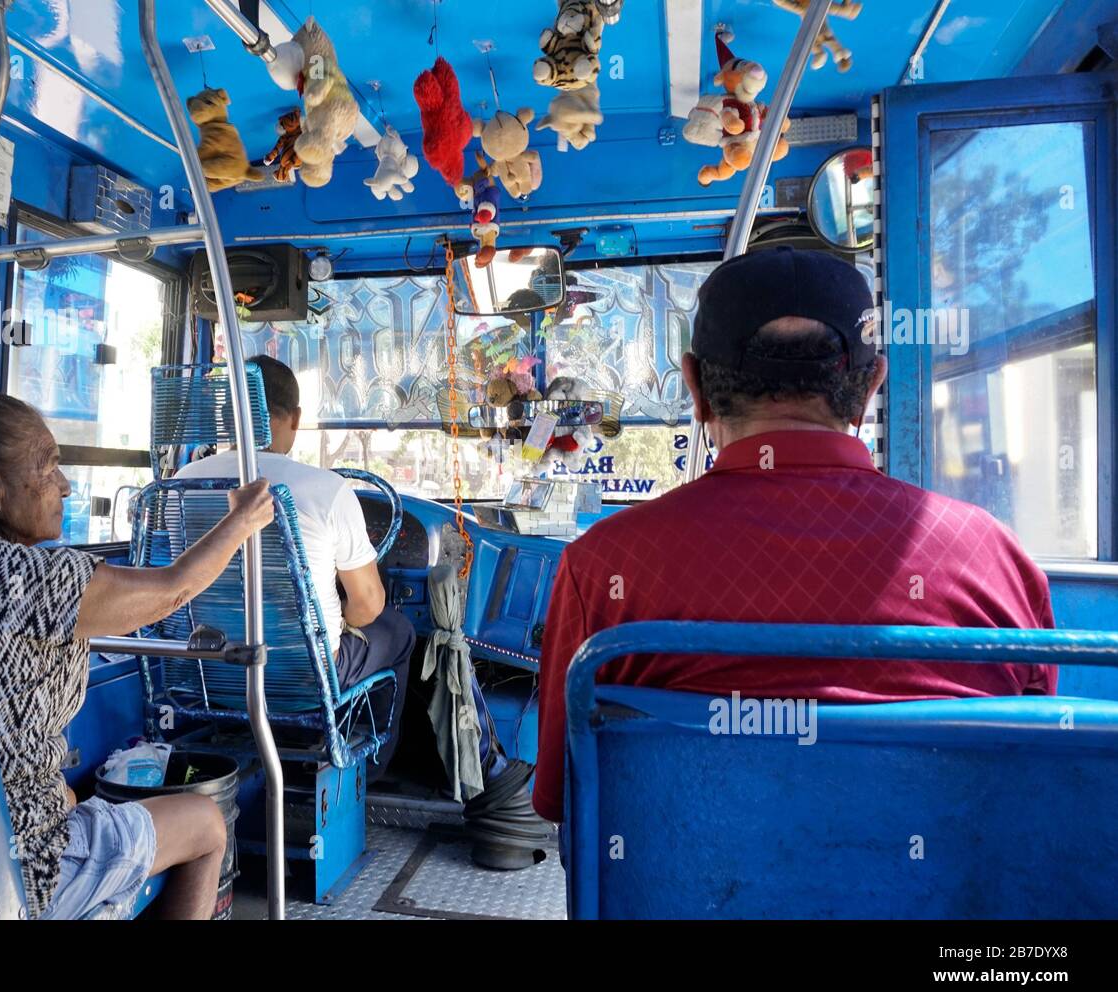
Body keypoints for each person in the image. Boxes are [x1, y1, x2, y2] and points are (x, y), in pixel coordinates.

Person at [534, 246, 1056, 823]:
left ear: (694, 387)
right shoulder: (995, 557)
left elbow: (562, 797)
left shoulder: (604, 566)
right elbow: (1036, 779)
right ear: (871, 386)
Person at [0, 390, 275, 919]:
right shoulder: (34, 579)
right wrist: (242, 522)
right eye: (48, 465)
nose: (63, 484)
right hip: (9, 869)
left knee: (67, 796)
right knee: (204, 823)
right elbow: (173, 590)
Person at [176, 356, 551, 868]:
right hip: (306, 677)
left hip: (204, 674)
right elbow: (370, 602)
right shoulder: (324, 489)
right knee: (395, 629)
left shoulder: (181, 481)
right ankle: (366, 764)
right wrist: (346, 614)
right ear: (294, 417)